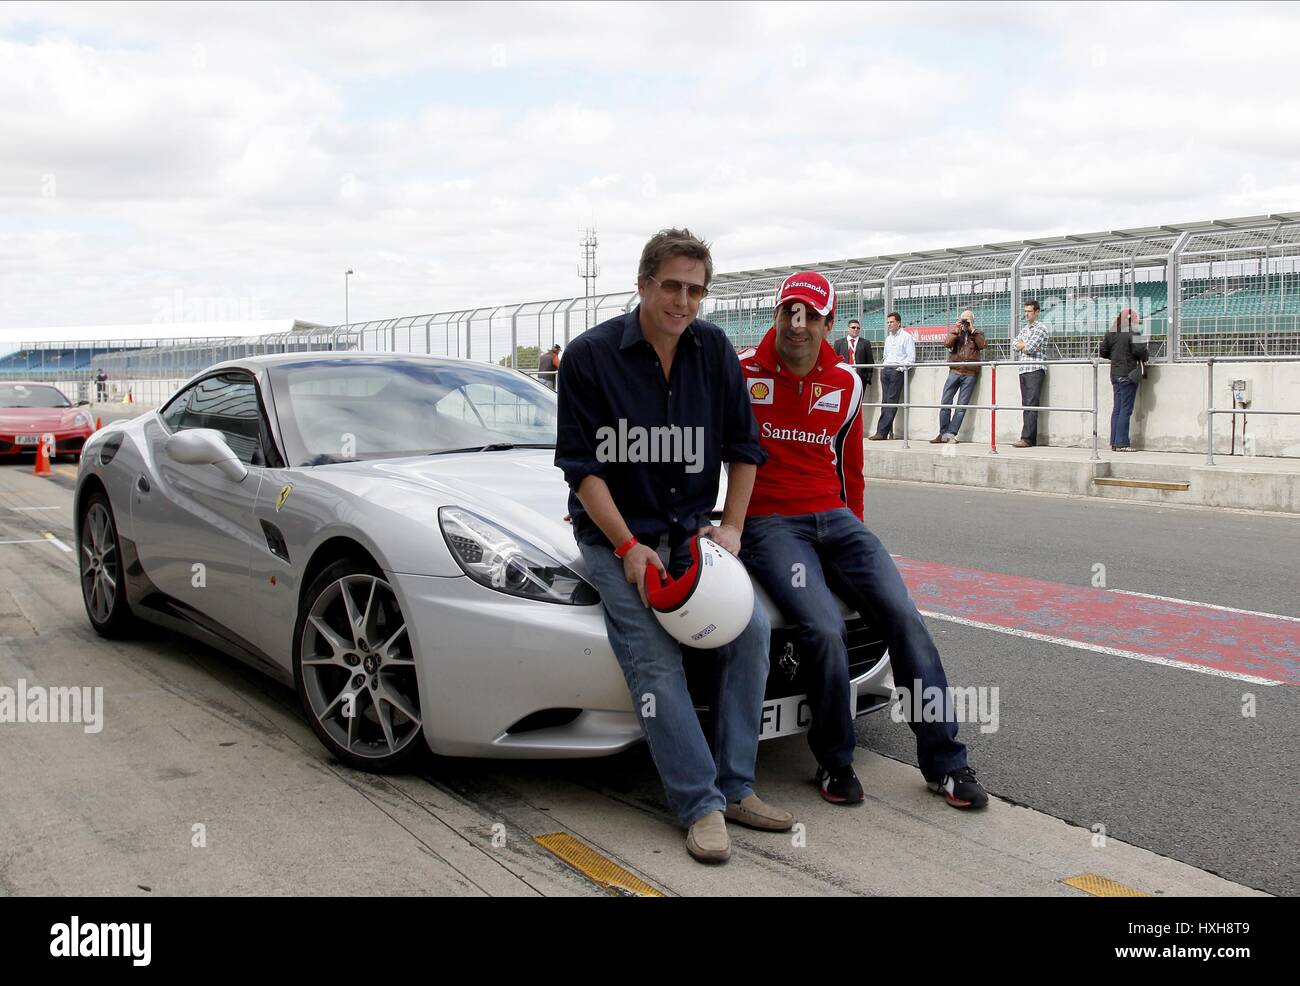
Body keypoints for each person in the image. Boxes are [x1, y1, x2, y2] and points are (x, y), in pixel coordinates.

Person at [555, 227, 792, 864]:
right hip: (616, 537)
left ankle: (737, 786)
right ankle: (700, 804)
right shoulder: (588, 357)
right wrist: (628, 545)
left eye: (695, 290)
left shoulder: (714, 352)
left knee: (752, 631)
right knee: (654, 661)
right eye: (671, 286)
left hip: (690, 534)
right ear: (642, 285)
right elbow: (584, 470)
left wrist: (734, 528)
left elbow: (745, 450)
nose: (683, 301)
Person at [736, 271, 987, 810]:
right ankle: (834, 759)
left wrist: (852, 544)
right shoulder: (740, 374)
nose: (797, 324)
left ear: (828, 324)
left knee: (904, 616)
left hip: (836, 519)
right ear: (777, 316)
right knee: (824, 627)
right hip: (770, 523)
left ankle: (946, 762)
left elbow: (851, 471)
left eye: (810, 315)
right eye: (789, 311)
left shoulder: (847, 383)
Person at [1100, 307, 1149, 452]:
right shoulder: (1134, 332)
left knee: (1117, 409)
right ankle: (1122, 443)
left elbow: (1103, 351)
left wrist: (1114, 357)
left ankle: (1115, 442)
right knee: (1125, 409)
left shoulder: (1111, 332)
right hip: (1128, 374)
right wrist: (1144, 357)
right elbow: (1141, 351)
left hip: (1114, 373)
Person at [932, 309, 984, 444]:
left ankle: (951, 434)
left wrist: (973, 330)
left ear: (972, 320)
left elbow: (982, 345)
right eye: (963, 319)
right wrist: (956, 329)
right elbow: (947, 344)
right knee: (945, 403)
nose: (965, 322)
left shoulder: (978, 333)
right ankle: (942, 433)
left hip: (970, 373)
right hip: (954, 371)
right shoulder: (956, 332)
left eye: (968, 319)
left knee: (961, 407)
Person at [869, 311, 914, 440]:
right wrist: (884, 367)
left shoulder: (906, 337)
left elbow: (911, 358)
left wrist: (899, 369)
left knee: (891, 401)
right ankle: (883, 431)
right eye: (888, 322)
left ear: (898, 323)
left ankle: (881, 432)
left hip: (896, 371)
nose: (889, 324)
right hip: (886, 370)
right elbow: (885, 356)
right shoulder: (888, 338)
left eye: (892, 322)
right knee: (885, 401)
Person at [1012, 299, 1049, 448]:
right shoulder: (1025, 329)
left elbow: (1030, 348)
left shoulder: (1041, 328)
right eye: (1025, 311)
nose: (1026, 314)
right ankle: (1027, 438)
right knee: (1026, 404)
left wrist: (1023, 345)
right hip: (1023, 369)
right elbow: (1014, 344)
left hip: (1035, 369)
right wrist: (1023, 345)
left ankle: (1027, 438)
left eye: (1029, 311)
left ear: (1037, 312)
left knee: (1032, 404)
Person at [832, 318, 874, 397]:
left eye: (858, 328)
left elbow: (870, 361)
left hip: (860, 378)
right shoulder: (838, 343)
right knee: (844, 400)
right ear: (848, 329)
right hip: (844, 376)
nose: (856, 329)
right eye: (853, 327)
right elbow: (835, 361)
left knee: (858, 401)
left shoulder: (865, 343)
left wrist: (867, 377)